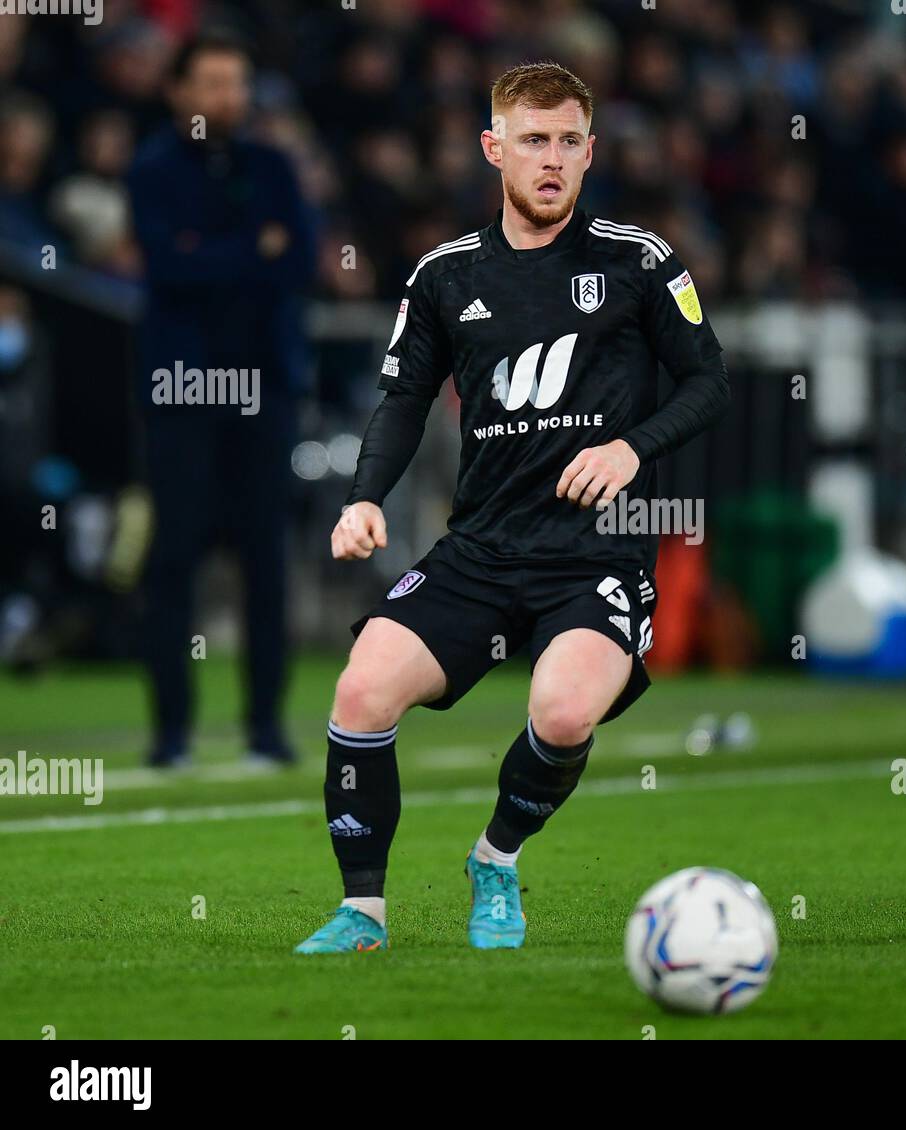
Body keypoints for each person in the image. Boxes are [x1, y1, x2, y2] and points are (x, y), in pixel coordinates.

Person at [295, 62, 729, 954]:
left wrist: (629, 447)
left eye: (570, 141)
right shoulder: (445, 275)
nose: (553, 159)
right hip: (483, 545)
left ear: (591, 151)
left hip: (598, 553)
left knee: (564, 715)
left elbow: (707, 382)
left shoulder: (638, 261)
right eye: (534, 140)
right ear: (494, 149)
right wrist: (364, 499)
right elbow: (404, 400)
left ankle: (496, 857)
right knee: (362, 689)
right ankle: (362, 914)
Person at [128, 34, 315, 767]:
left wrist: (220, 254)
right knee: (173, 558)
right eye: (210, 83)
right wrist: (251, 251)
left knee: (266, 561)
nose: (226, 98)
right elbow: (170, 268)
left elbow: (299, 260)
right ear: (177, 90)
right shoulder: (153, 168)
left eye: (236, 83)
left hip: (264, 389)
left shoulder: (272, 164)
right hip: (182, 391)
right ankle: (170, 733)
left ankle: (265, 728)